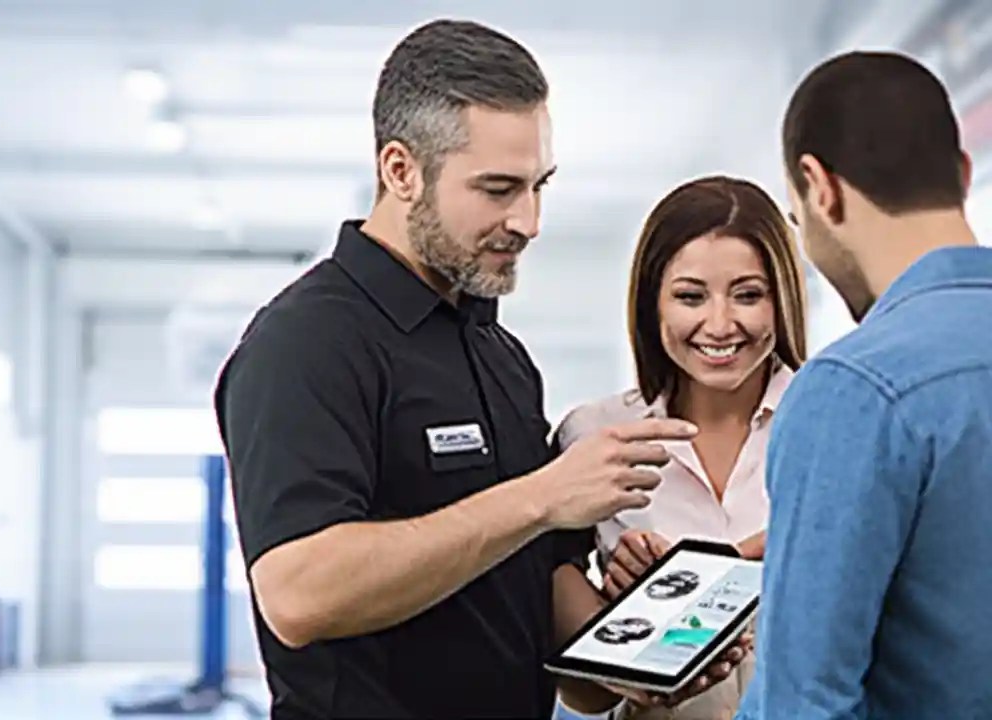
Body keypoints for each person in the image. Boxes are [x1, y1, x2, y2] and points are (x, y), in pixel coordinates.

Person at [214, 19, 746, 720]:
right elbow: (298, 594)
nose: (528, 220)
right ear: (400, 171)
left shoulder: (501, 358)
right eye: (498, 189)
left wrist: (635, 653)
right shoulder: (306, 343)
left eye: (538, 186)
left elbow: (540, 609)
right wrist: (541, 497)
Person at [737, 51, 992, 719]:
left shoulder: (855, 390)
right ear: (961, 174)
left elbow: (803, 705)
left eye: (797, 222)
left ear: (819, 188)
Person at [554, 176, 807, 719]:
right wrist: (630, 609)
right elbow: (583, 693)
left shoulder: (836, 421)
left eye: (748, 295)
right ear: (653, 303)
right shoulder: (592, 435)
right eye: (690, 296)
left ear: (781, 298)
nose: (719, 325)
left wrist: (694, 576)